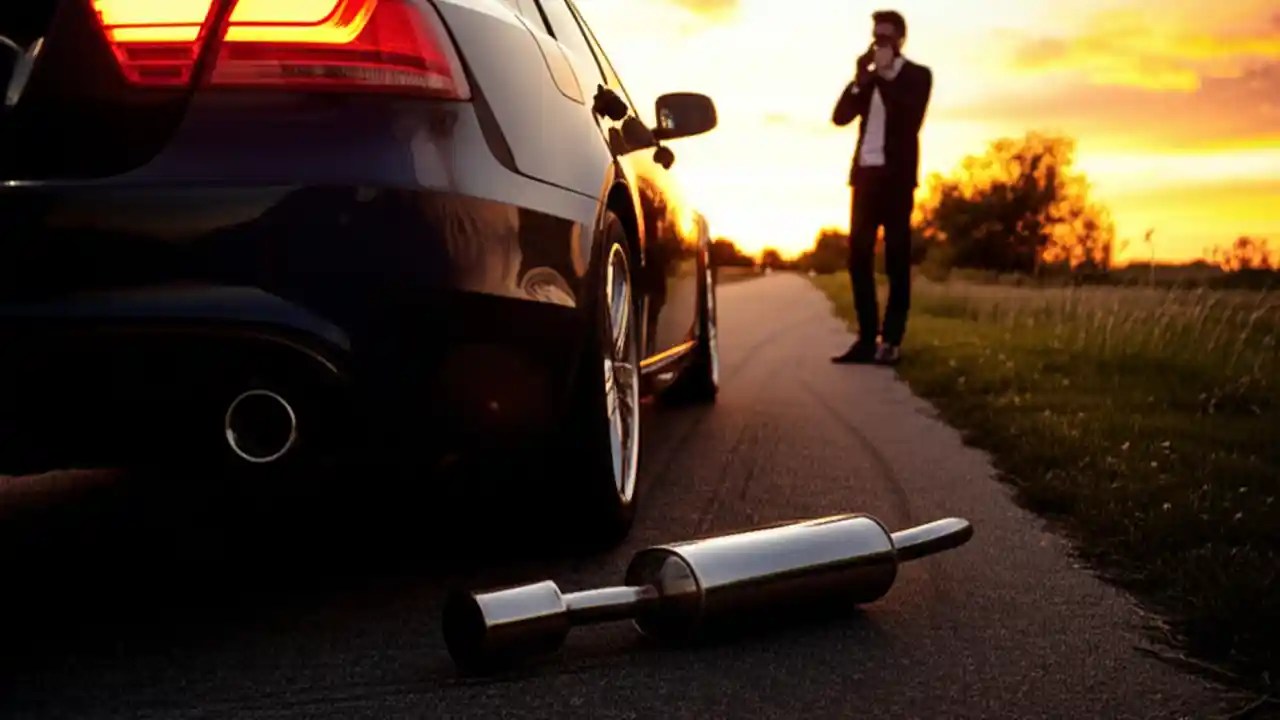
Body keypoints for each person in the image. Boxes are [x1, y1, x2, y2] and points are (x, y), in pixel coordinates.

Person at [829, 10, 932, 366]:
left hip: (897, 180)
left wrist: (886, 76)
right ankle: (866, 338)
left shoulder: (917, 77)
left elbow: (910, 120)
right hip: (865, 177)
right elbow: (840, 117)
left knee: (896, 259)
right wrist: (860, 80)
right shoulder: (869, 80)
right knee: (858, 258)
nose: (880, 44)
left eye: (886, 37)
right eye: (876, 37)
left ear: (901, 40)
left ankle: (891, 340)